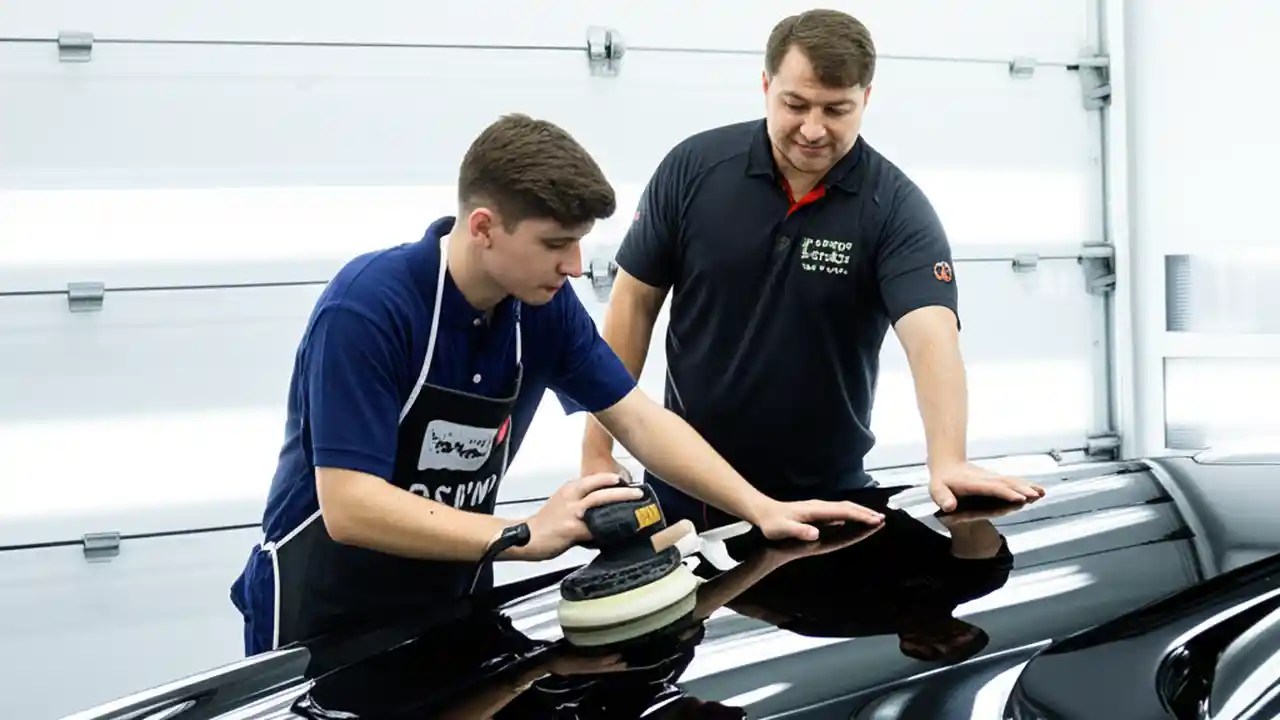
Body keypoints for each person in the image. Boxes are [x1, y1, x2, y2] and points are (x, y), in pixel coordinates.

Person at [229, 113, 886, 657]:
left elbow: (638, 420)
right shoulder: (370, 309)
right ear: (484, 227)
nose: (575, 267)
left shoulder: (540, 309)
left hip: (446, 600)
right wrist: (521, 534)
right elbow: (350, 506)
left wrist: (761, 508)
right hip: (321, 615)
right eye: (555, 244)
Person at [580, 9, 1046, 530]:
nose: (813, 129)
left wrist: (948, 458)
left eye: (836, 109)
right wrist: (597, 451)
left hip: (828, 501)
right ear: (765, 86)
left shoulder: (893, 208)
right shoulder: (693, 169)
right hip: (685, 492)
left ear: (866, 99)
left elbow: (931, 337)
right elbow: (632, 306)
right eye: (795, 105)